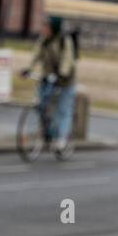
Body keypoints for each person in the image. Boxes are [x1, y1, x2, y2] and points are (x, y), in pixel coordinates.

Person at [21, 16, 77, 155]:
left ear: (54, 28)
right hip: (48, 77)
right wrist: (29, 69)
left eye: (47, 26)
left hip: (65, 80)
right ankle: (48, 132)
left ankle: (61, 139)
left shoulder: (65, 41)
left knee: (62, 110)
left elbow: (67, 59)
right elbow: (36, 54)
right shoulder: (44, 39)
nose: (44, 29)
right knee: (41, 105)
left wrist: (61, 74)